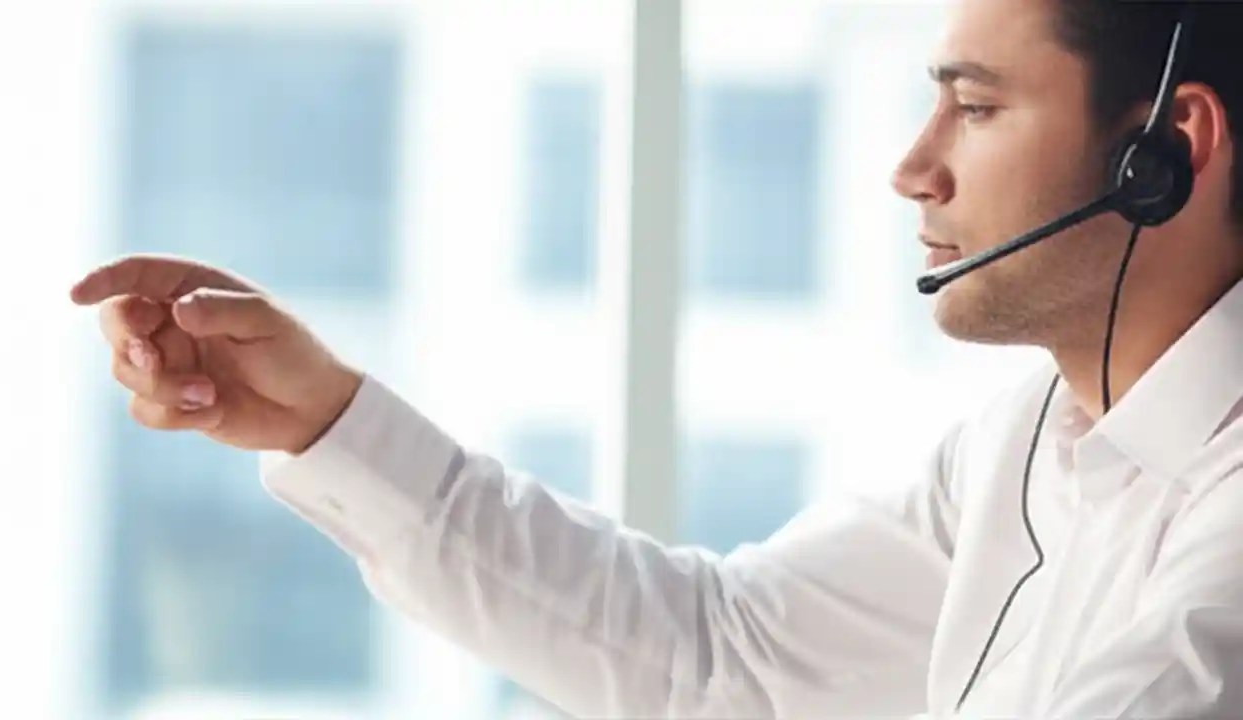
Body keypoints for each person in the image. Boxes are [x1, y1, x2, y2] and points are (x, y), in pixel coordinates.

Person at [69, 0, 1243, 716]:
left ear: (1163, 149)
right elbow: (714, 659)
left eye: (975, 109)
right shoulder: (1020, 450)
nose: (911, 167)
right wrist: (322, 421)